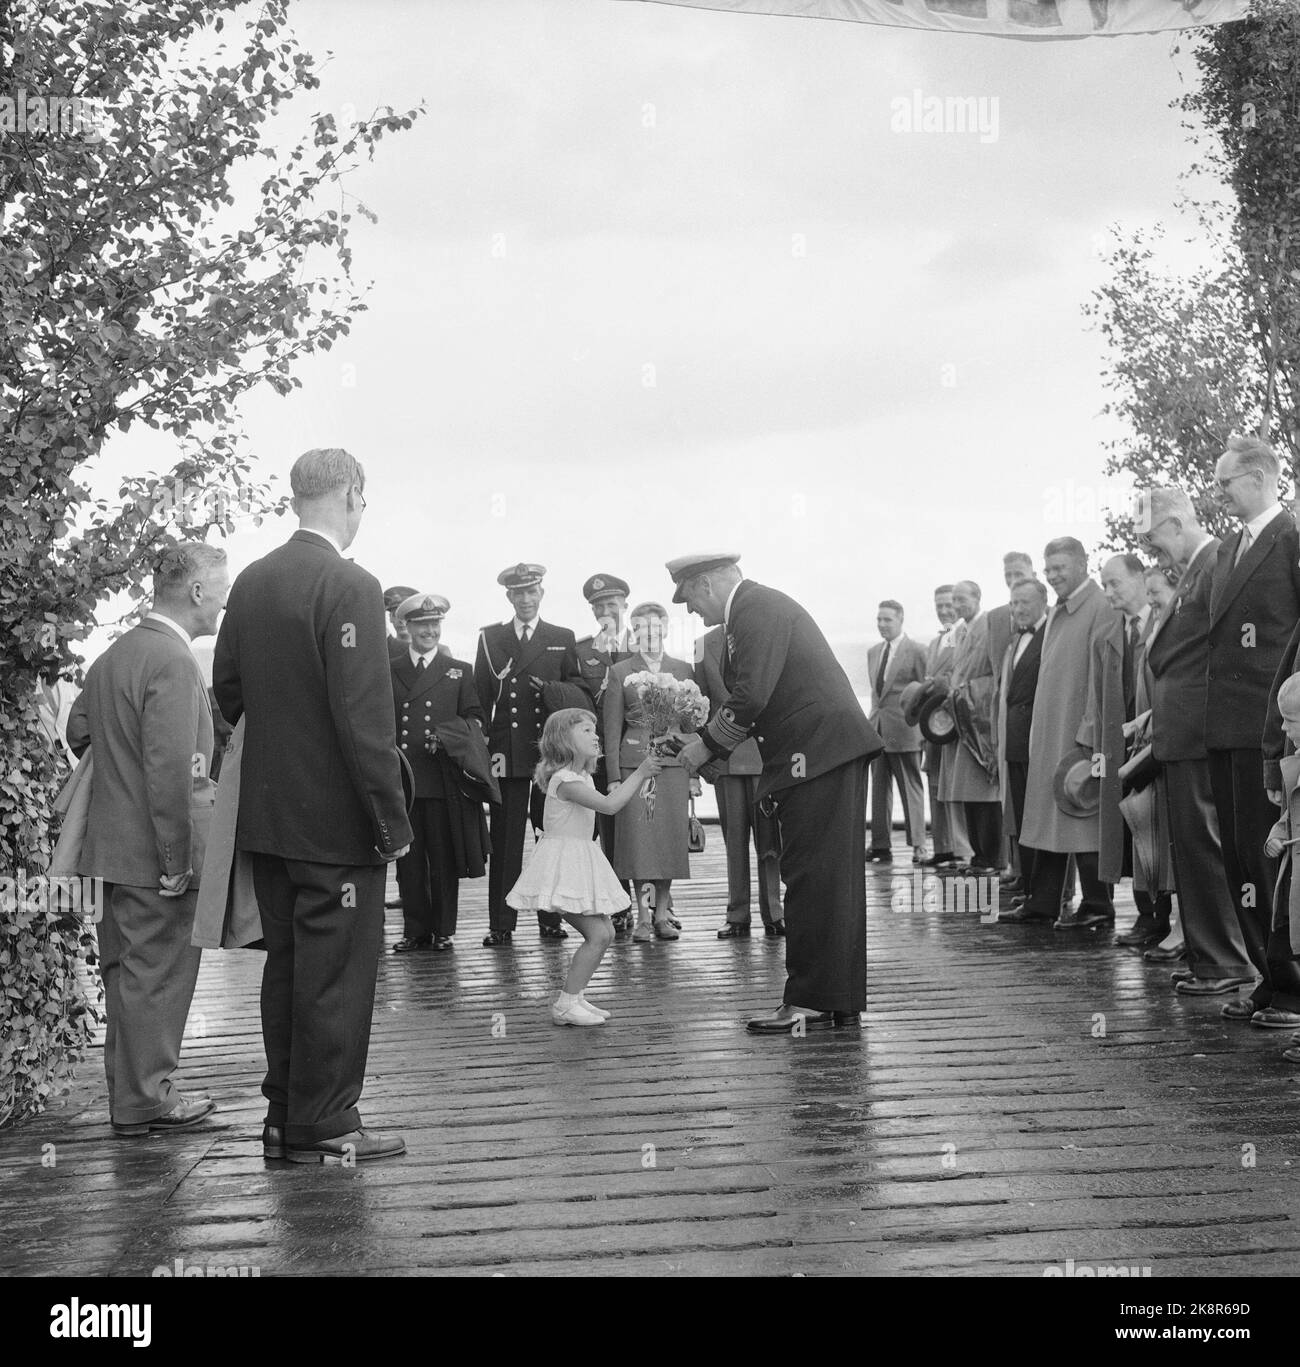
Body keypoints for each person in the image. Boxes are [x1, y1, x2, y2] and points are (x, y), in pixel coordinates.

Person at [213, 448, 413, 1164]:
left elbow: (228, 692)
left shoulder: (253, 580)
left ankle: (284, 1116)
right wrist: (390, 822)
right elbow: (365, 721)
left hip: (268, 820)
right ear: (353, 496)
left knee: (289, 968)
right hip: (337, 823)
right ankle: (328, 1123)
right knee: (337, 975)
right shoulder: (351, 584)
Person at [670, 553, 883, 1034]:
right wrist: (710, 750)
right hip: (826, 754)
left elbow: (752, 695)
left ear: (705, 584)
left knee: (809, 875)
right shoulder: (760, 607)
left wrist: (704, 748)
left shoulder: (754, 609)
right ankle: (836, 998)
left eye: (689, 599)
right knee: (831, 880)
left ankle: (809, 999)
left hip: (818, 757)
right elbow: (762, 705)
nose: (690, 612)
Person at [66, 542, 228, 1138]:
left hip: (108, 851)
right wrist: (175, 859)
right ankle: (149, 1102)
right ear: (194, 592)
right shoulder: (173, 660)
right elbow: (173, 770)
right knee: (155, 979)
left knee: (126, 978)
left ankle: (133, 1100)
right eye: (221, 587)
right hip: (153, 857)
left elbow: (78, 728)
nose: (224, 599)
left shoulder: (114, 656)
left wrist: (119, 780)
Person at [1139, 488, 1251, 993]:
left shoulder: (1215, 562)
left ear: (1178, 524)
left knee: (1204, 845)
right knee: (1193, 846)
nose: (1152, 552)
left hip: (1199, 731)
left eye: (1154, 539)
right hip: (1181, 732)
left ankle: (1225, 961)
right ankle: (1211, 955)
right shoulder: (1198, 568)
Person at [1206, 435, 1300, 1027]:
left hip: (1273, 728)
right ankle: (1268, 975)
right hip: (1226, 725)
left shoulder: (1290, 542)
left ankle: (1293, 985)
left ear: (1261, 478)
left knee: (1273, 858)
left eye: (1226, 483)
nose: (1219, 493)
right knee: (1241, 857)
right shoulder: (1227, 550)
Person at [507, 710, 661, 1024]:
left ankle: (574, 997)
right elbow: (610, 805)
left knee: (605, 932)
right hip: (563, 868)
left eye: (595, 731)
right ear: (564, 739)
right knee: (597, 934)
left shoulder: (583, 777)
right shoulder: (565, 781)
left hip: (579, 861)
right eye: (586, 730)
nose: (595, 736)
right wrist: (641, 772)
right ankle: (565, 1004)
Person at [474, 562, 585, 946]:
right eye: (518, 593)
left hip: (549, 756)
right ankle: (500, 923)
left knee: (551, 838)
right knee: (505, 842)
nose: (525, 599)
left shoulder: (562, 636)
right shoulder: (490, 638)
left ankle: (551, 919)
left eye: (531, 592)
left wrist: (552, 688)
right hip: (506, 754)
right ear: (509, 597)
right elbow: (480, 702)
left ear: (541, 594)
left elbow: (576, 695)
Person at [1012, 538, 1117, 930]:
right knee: (1048, 816)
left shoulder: (1099, 605)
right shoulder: (1060, 608)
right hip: (1049, 730)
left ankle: (1097, 906)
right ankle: (1042, 903)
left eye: (1060, 567)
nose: (1053, 575)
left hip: (1075, 731)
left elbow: (1101, 673)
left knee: (1080, 812)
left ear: (1083, 563)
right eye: (1049, 568)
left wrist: (1088, 730)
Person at [390, 593, 492, 953]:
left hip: (443, 778)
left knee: (443, 858)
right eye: (422, 625)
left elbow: (477, 719)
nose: (429, 631)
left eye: (434, 625)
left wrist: (448, 737)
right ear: (408, 627)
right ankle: (415, 929)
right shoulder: (390, 668)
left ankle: (443, 930)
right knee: (410, 860)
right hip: (405, 780)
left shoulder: (460, 671)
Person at [1080, 554, 1172, 949]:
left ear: (1139, 578)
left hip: (1157, 746)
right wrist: (1100, 755)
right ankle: (1146, 916)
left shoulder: (1165, 623)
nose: (1109, 591)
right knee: (1131, 828)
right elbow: (1099, 705)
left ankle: (1165, 919)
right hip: (1120, 751)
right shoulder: (1108, 634)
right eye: (1105, 583)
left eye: (1115, 582)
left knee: (1159, 829)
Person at [604, 602, 695, 942]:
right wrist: (614, 775)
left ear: (666, 630)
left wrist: (695, 774)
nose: (650, 636)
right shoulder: (620, 670)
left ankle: (661, 915)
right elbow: (611, 729)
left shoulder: (683, 668)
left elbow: (689, 727)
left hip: (673, 765)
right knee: (641, 843)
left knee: (667, 841)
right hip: (635, 765)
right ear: (635, 632)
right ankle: (642, 916)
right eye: (642, 629)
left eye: (656, 629)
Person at [696, 623, 784, 938]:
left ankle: (774, 913)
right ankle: (737, 915)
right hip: (725, 756)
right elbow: (700, 702)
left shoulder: (762, 634)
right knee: (734, 839)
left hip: (763, 754)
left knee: (769, 840)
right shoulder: (701, 644)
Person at [573, 573, 635, 929]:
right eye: (599, 606)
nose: (606, 610)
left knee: (641, 831)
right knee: (607, 834)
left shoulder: (644, 645)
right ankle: (619, 904)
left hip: (637, 753)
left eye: (612, 603)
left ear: (625, 605)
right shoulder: (582, 651)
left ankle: (655, 906)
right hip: (598, 758)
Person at [939, 581, 1002, 873]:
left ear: (978, 597)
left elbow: (996, 673)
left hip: (981, 722)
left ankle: (992, 858)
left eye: (962, 599)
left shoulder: (988, 626)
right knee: (968, 792)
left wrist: (968, 690)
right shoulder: (962, 632)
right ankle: (979, 856)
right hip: (964, 720)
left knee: (985, 795)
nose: (957, 605)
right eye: (954, 600)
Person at [994, 577, 1048, 909]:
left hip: (1036, 738)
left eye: (1024, 602)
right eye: (1013, 603)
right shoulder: (1015, 641)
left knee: (1039, 817)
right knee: (1023, 818)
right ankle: (1029, 887)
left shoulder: (1049, 635)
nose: (1017, 609)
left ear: (1043, 601)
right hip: (1015, 740)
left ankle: (1046, 891)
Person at [866, 600, 928, 863]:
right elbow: (877, 695)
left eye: (887, 620)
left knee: (910, 787)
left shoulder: (916, 650)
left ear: (901, 619)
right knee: (878, 790)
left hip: (906, 731)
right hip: (878, 731)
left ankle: (919, 846)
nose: (882, 624)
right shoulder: (873, 652)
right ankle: (880, 844)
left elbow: (925, 693)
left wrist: (924, 733)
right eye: (879, 619)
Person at [1263, 677, 1300, 1058]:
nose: (1284, 729)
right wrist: (1277, 832)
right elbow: (1291, 815)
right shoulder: (1296, 763)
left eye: (1291, 721)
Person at [921, 585, 969, 869]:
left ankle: (961, 849)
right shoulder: (934, 643)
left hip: (954, 723)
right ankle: (942, 848)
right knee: (936, 782)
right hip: (934, 724)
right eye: (938, 605)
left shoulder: (965, 635)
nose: (943, 610)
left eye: (948, 604)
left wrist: (936, 683)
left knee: (955, 785)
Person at [384, 585, 418, 660]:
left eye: (406, 615)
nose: (401, 620)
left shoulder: (436, 651)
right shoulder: (384, 651)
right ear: (390, 618)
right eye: (396, 615)